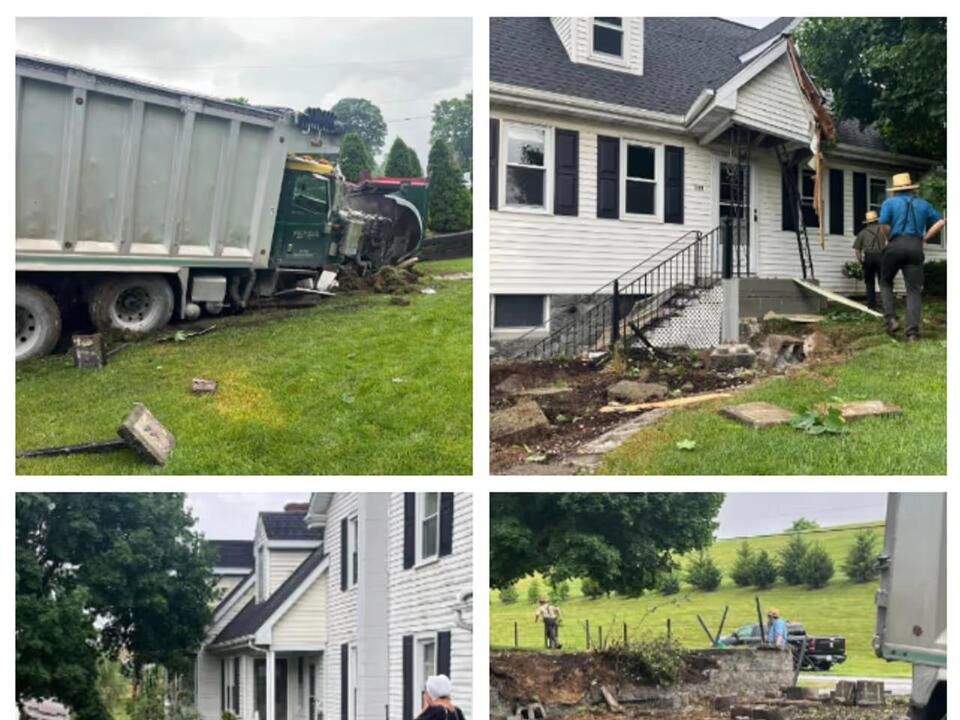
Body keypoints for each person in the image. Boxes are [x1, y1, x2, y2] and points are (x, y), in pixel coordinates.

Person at [877, 172, 945, 341]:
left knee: (885, 281)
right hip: (915, 246)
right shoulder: (923, 204)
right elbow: (941, 221)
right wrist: (925, 237)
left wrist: (889, 237)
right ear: (911, 189)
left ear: (895, 190)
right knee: (914, 290)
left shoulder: (889, 203)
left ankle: (891, 319)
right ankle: (912, 333)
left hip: (895, 244)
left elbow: (884, 224)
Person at [852, 210, 887, 309]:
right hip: (882, 257)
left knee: (869, 282)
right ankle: (886, 305)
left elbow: (857, 251)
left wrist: (861, 262)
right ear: (876, 220)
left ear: (867, 222)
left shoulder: (862, 233)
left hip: (869, 257)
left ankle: (871, 305)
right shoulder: (883, 230)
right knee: (883, 282)